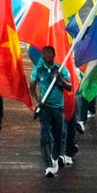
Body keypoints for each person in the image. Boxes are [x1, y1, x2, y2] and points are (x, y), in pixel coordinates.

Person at [30, 46, 72, 176]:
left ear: (54, 54)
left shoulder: (61, 69)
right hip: (45, 108)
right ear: (42, 55)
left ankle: (55, 156)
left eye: (50, 53)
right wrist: (38, 101)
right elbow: (31, 87)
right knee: (45, 133)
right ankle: (48, 164)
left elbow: (70, 87)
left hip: (58, 108)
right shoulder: (38, 70)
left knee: (59, 135)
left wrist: (60, 80)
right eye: (45, 53)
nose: (48, 55)